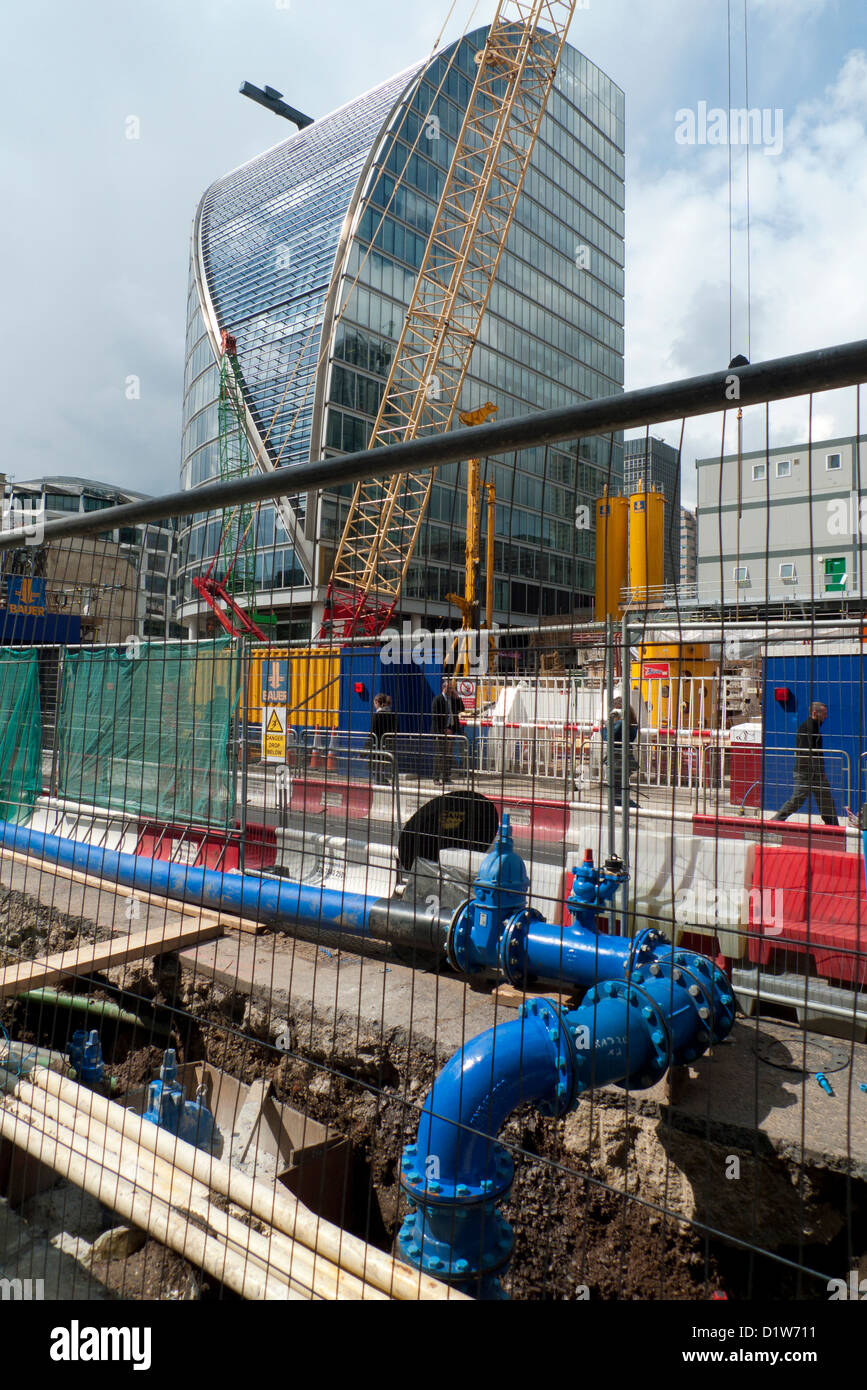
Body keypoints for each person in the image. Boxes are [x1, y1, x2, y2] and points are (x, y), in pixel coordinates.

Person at [772, 701, 839, 826]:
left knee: (826, 800)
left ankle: (834, 826)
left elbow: (816, 753)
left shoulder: (813, 727)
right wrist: (818, 771)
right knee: (798, 799)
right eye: (824, 714)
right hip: (806, 772)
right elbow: (808, 753)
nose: (826, 716)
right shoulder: (807, 728)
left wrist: (821, 772)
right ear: (815, 713)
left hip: (814, 772)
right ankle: (774, 822)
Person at [603, 696, 638, 808]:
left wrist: (603, 727)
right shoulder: (631, 723)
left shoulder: (622, 724)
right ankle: (628, 813)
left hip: (617, 762)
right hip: (624, 760)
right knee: (618, 794)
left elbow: (607, 737)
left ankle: (638, 811)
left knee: (616, 795)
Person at [431, 676, 463, 784]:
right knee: (440, 755)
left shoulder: (453, 700)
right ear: (443, 688)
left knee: (448, 755)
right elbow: (435, 717)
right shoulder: (438, 700)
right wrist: (444, 730)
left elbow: (462, 709)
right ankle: (436, 777)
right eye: (449, 688)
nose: (451, 691)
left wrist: (457, 696)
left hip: (451, 731)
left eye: (452, 688)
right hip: (441, 732)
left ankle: (446, 776)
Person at [367, 693, 397, 786]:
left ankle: (380, 779)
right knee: (383, 762)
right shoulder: (392, 715)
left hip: (377, 744)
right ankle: (382, 779)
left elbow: (372, 733)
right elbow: (397, 729)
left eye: (374, 703)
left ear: (377, 703)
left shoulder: (377, 716)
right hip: (388, 744)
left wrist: (364, 750)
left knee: (371, 764)